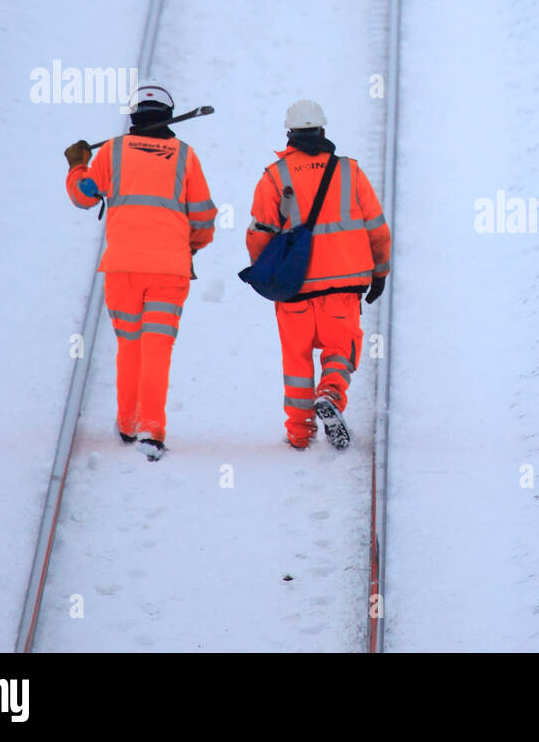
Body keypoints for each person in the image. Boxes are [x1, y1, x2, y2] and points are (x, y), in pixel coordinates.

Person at [63, 80, 216, 460]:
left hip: (123, 269)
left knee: (129, 345)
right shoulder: (185, 156)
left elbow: (83, 195)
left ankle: (128, 424)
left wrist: (78, 165)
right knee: (158, 349)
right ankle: (151, 428)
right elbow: (204, 217)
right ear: (168, 114)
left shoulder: (113, 152)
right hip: (169, 272)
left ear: (134, 116)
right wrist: (189, 248)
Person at [246, 100, 391, 450]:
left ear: (289, 133)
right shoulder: (349, 172)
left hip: (294, 291)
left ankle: (299, 434)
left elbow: (258, 235)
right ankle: (330, 393)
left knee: (296, 362)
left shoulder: (274, 176)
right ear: (323, 130)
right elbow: (378, 229)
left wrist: (271, 276)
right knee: (341, 350)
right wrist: (380, 271)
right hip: (342, 289)